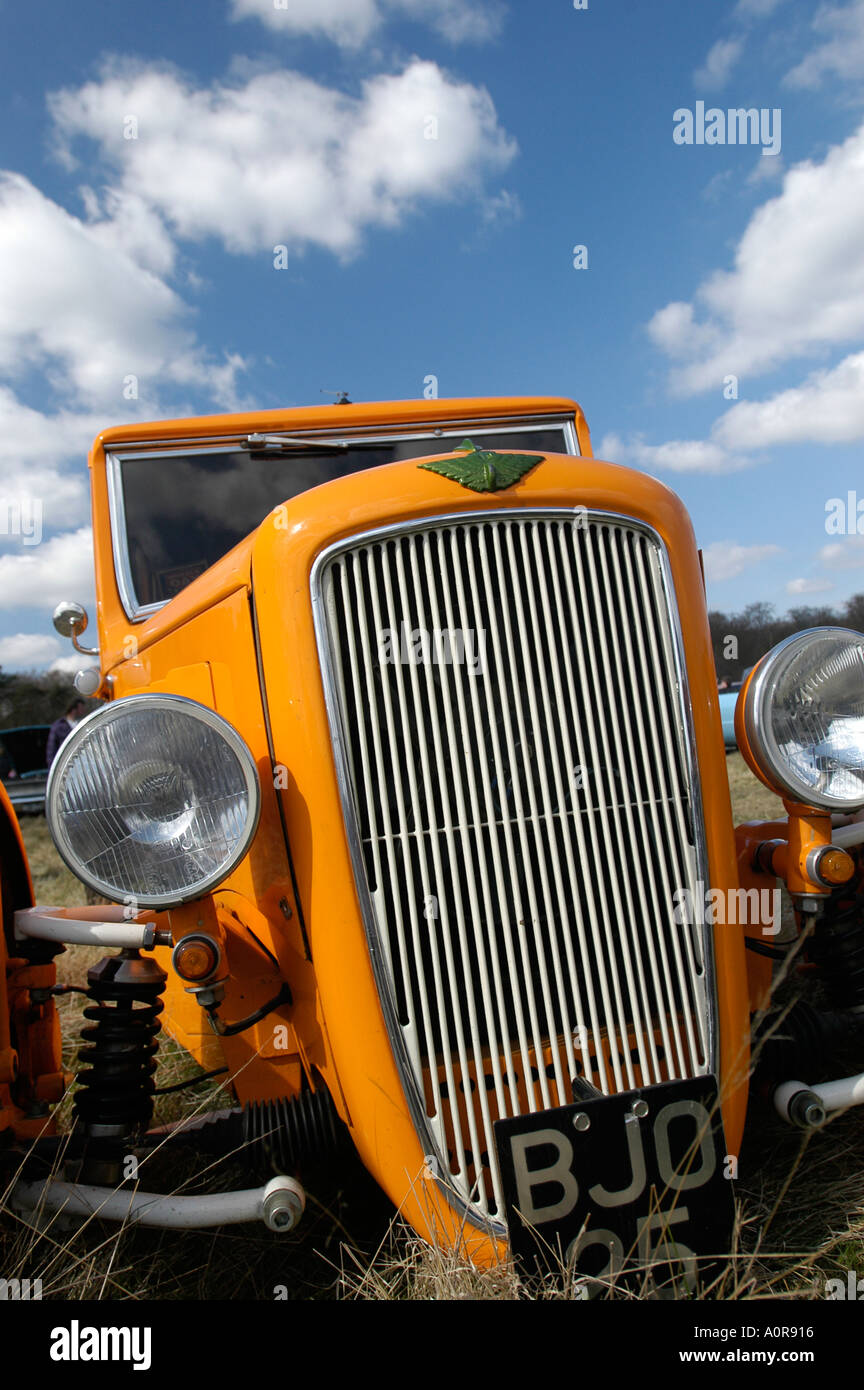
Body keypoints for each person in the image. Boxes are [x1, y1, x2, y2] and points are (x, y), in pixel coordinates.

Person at [46, 698, 87, 766]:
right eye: (81, 708)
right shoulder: (59, 726)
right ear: (73, 709)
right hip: (66, 765)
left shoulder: (82, 724)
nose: (83, 710)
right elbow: (51, 750)